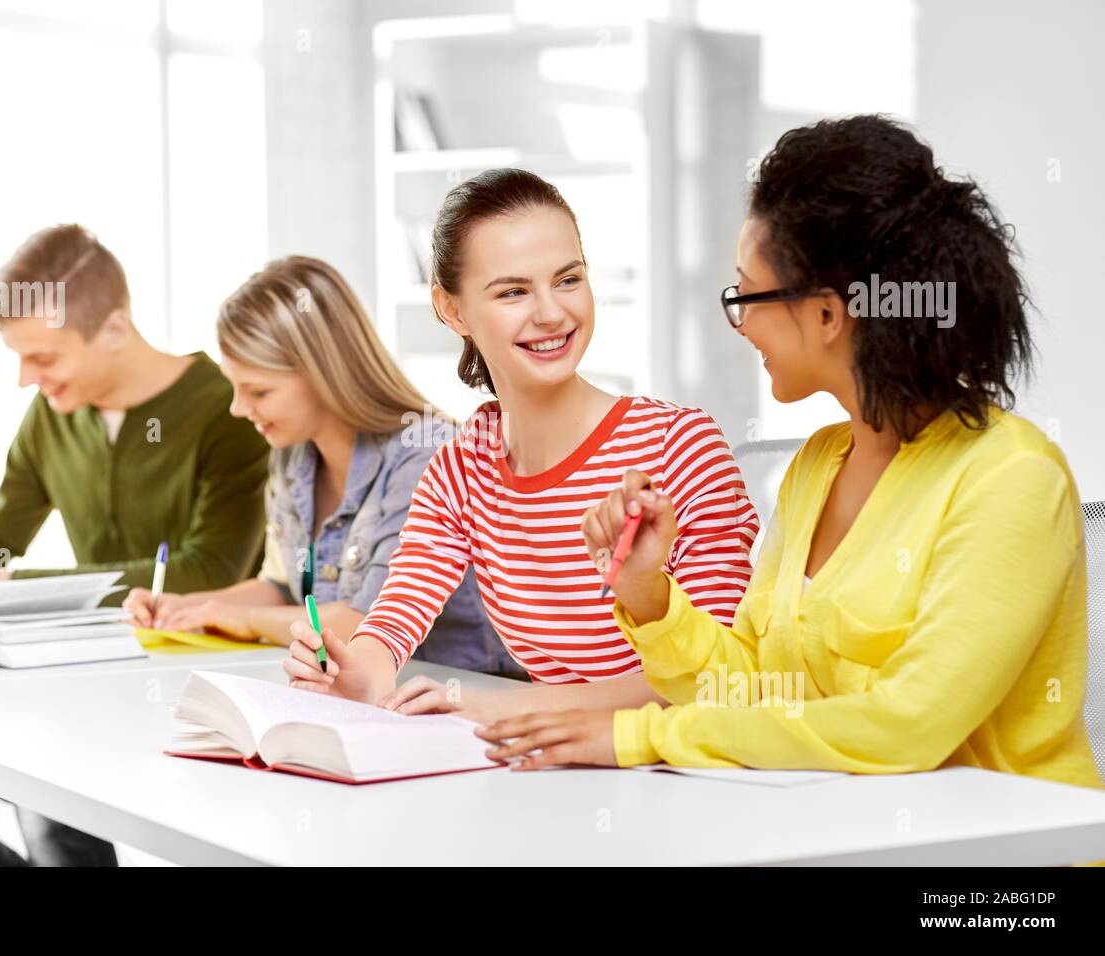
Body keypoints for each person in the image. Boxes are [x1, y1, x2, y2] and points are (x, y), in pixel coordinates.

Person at [478, 116, 1102, 793]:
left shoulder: (1011, 478)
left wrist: (640, 736)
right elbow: (746, 689)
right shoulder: (818, 464)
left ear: (828, 315)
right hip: (835, 835)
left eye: (747, 294)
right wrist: (649, 594)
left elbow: (907, 726)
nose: (740, 320)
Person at [282, 168, 759, 722]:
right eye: (513, 291)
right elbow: (395, 618)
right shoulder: (461, 472)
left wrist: (490, 709)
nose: (552, 312)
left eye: (568, 280)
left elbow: (711, 678)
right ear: (452, 309)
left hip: (684, 775)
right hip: (549, 773)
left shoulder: (682, 446)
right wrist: (350, 671)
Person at [0, 224, 270, 866]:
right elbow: (2, 526)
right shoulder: (55, 415)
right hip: (72, 677)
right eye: (20, 357)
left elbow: (208, 569)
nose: (27, 378)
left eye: (45, 358)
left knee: (57, 825)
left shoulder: (229, 407)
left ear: (114, 328)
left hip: (184, 684)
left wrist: (15, 586)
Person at [125, 255, 515, 674]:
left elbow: (366, 625)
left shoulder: (423, 455)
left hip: (462, 698)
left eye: (258, 391)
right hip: (365, 700)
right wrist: (191, 607)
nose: (239, 409)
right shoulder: (292, 457)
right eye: (235, 388)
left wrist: (245, 620)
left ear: (322, 374)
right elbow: (283, 588)